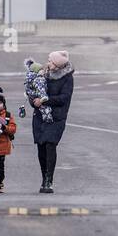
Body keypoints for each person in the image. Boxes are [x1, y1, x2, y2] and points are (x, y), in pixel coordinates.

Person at [30, 50, 74, 193]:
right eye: (48, 60)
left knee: (50, 145)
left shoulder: (67, 78)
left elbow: (64, 98)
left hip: (56, 118)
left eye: (50, 61)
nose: (47, 63)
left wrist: (45, 100)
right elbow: (33, 91)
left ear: (57, 64)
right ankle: (44, 178)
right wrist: (33, 101)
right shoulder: (43, 74)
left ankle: (49, 180)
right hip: (40, 117)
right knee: (41, 147)